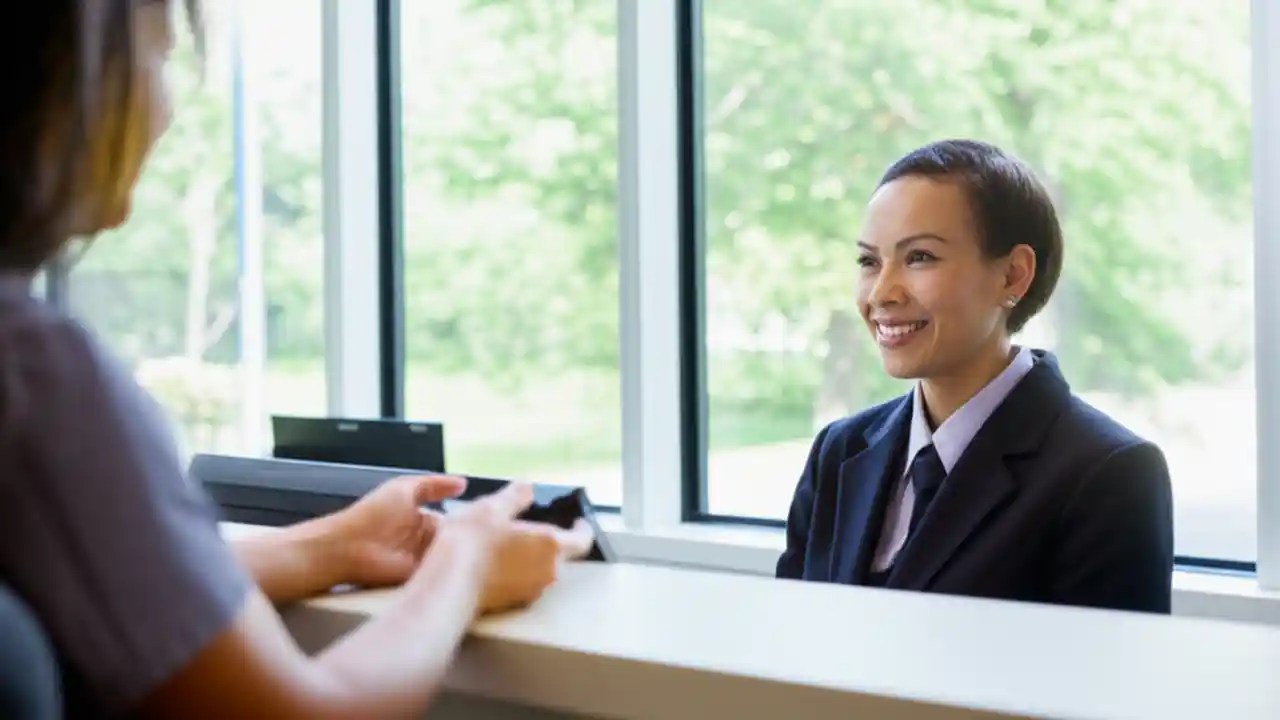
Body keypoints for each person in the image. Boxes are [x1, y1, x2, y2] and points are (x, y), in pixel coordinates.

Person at [0, 1, 593, 717]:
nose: (166, 110)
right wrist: (462, 567)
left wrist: (327, 548)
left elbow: (103, 575)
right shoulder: (33, 376)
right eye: (158, 60)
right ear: (66, 84)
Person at [775, 139, 1174, 614]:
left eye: (920, 257)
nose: (882, 292)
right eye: (869, 261)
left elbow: (1105, 680)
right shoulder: (839, 453)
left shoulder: (1108, 474)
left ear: (1012, 276)